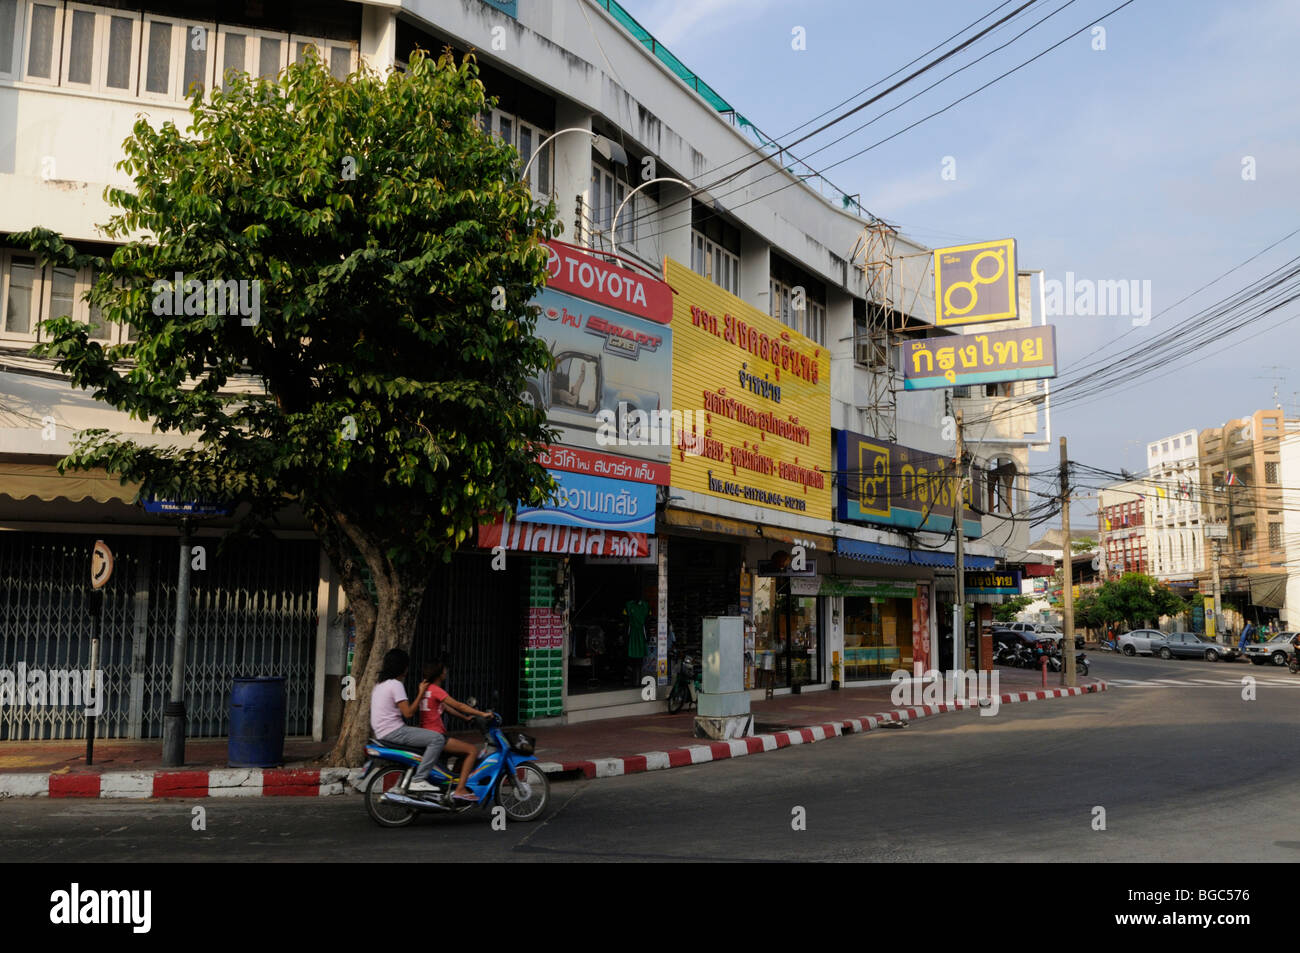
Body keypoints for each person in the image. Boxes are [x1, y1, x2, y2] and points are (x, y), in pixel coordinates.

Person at [417, 661, 495, 802]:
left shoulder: (425, 689)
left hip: (426, 735)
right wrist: (482, 714)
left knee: (461, 753)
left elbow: (445, 707)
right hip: (436, 737)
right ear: (439, 674)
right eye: (444, 671)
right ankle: (460, 790)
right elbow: (459, 705)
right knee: (471, 750)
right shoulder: (436, 689)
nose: (446, 673)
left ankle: (452, 785)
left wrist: (464, 718)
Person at [369, 648, 441, 793]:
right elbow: (408, 713)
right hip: (394, 731)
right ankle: (419, 779)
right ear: (402, 667)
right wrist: (421, 693)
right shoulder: (396, 685)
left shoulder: (379, 685)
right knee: (437, 739)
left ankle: (401, 784)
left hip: (381, 732)